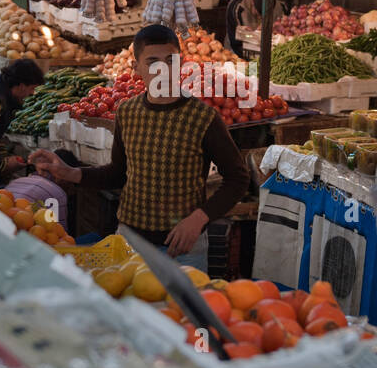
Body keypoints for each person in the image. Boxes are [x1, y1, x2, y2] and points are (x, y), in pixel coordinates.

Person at [30, 25, 250, 269]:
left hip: (183, 248)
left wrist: (200, 218)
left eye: (170, 60)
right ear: (136, 69)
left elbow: (238, 178)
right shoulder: (127, 112)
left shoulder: (203, 118)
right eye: (153, 62)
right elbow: (118, 172)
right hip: (130, 242)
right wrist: (69, 172)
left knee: (181, 308)